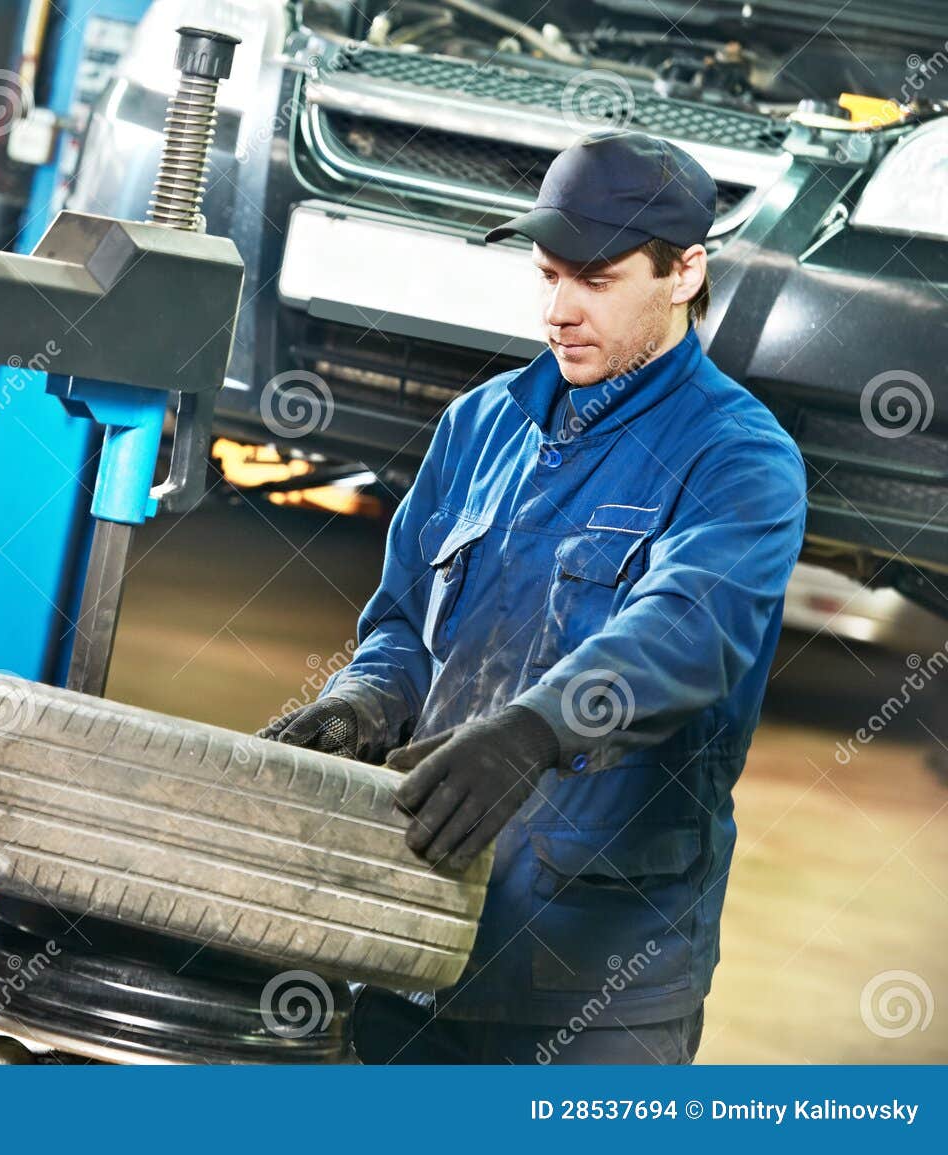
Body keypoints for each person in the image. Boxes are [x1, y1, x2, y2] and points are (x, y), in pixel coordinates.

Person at [262, 131, 806, 1064]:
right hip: (416, 932)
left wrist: (533, 731)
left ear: (684, 273)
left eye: (594, 281)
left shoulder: (740, 459)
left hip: (598, 979)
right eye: (547, 274)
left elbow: (689, 631)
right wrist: (363, 702)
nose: (559, 310)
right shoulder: (481, 426)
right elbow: (403, 626)